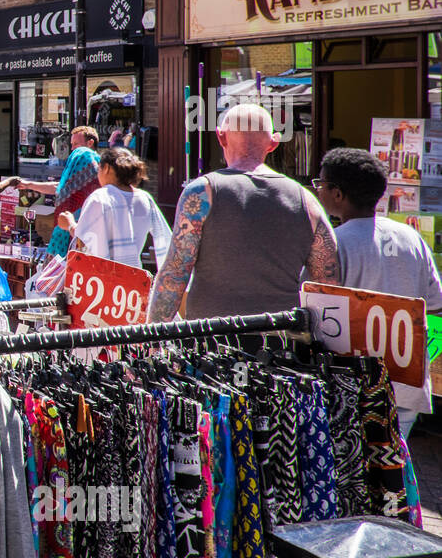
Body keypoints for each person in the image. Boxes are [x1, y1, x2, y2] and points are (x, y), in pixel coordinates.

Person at [148, 103, 339, 322]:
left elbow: (175, 273)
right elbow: (328, 283)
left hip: (213, 343)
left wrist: (151, 340)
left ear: (221, 138)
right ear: (273, 144)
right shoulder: (306, 201)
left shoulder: (202, 192)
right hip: (282, 343)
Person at [314, 148, 442, 440]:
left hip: (353, 384)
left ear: (337, 194)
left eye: (321, 184)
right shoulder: (411, 238)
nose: (318, 191)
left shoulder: (333, 243)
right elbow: (434, 304)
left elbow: (312, 310)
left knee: (356, 472)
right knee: (395, 464)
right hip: (406, 380)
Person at [56, 147, 172, 271]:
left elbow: (85, 242)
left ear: (106, 168)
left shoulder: (100, 198)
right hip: (134, 278)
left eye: (99, 168)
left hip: (102, 281)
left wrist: (70, 225)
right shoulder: (145, 199)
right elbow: (165, 238)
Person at [3, 126, 102, 258]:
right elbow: (61, 187)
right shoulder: (82, 169)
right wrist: (28, 184)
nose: (72, 149)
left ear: (90, 143)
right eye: (71, 145)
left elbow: (61, 188)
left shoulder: (89, 162)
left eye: (76, 144)